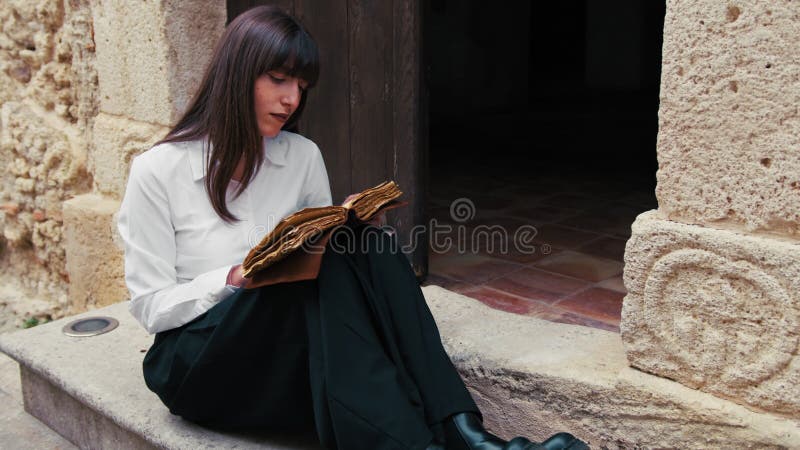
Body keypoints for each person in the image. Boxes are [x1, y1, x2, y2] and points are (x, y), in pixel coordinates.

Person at [116, 6, 588, 450]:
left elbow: (324, 276)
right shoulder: (158, 171)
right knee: (337, 264)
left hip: (281, 350)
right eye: (278, 79)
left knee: (365, 244)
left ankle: (463, 430)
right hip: (199, 362)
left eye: (301, 85)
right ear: (235, 75)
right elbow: (151, 306)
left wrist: (348, 228)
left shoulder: (301, 156)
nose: (292, 99)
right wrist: (234, 278)